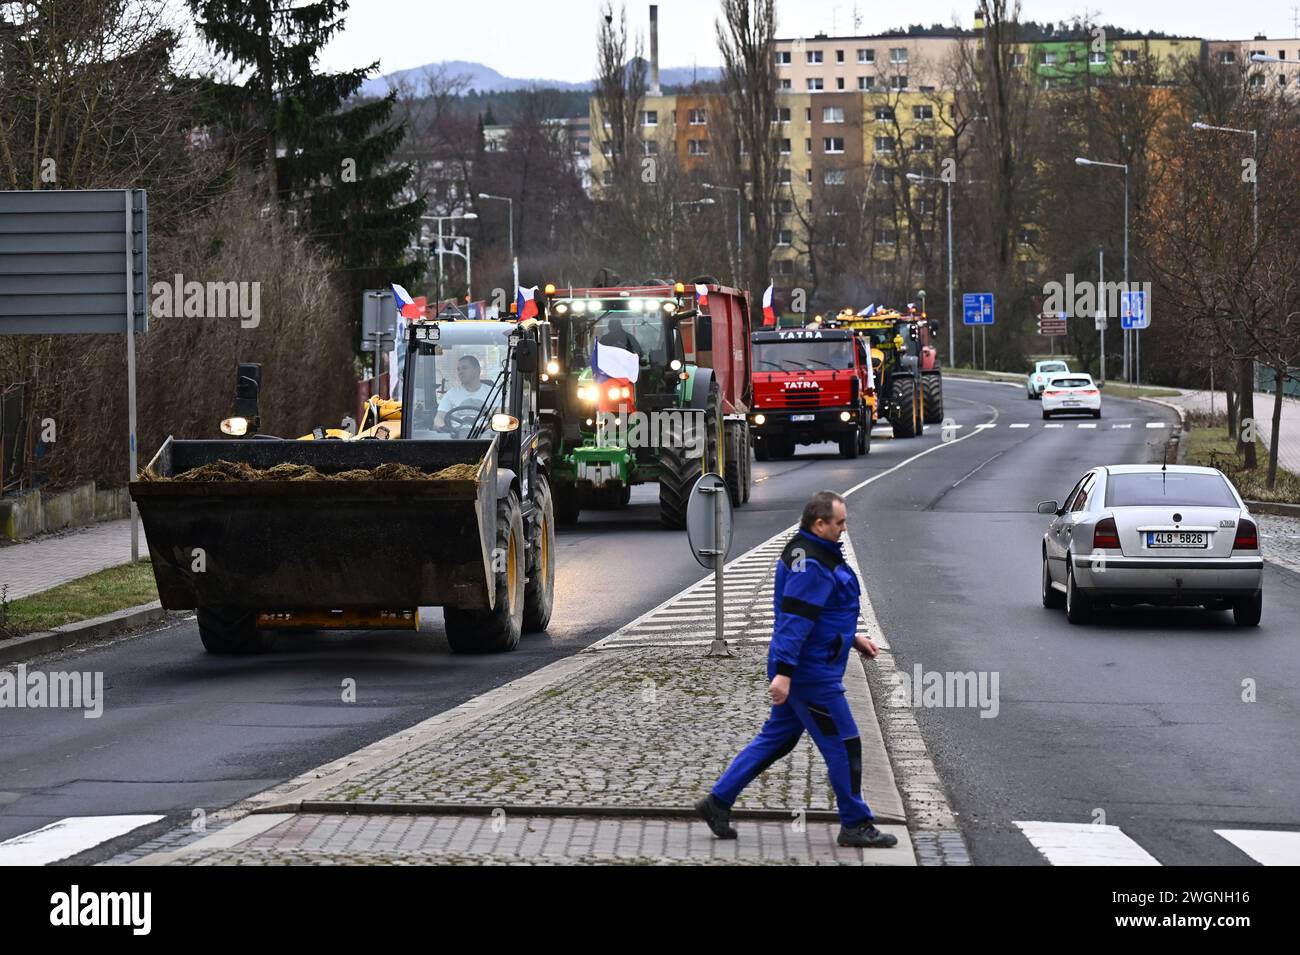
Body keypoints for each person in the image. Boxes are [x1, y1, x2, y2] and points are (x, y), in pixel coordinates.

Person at [696, 490, 898, 849]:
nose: (844, 528)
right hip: (811, 673)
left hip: (805, 665)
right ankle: (855, 823)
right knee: (844, 743)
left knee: (777, 739)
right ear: (819, 524)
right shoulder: (815, 565)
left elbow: (820, 613)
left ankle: (718, 802)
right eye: (839, 523)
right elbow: (795, 620)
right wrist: (786, 674)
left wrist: (852, 637)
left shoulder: (806, 550)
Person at [434, 353, 487, 430]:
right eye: (458, 369)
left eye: (464, 368)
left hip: (485, 438)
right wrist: (445, 429)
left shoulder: (493, 393)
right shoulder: (451, 394)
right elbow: (439, 418)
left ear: (477, 370)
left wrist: (486, 429)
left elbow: (500, 418)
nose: (460, 372)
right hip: (456, 439)